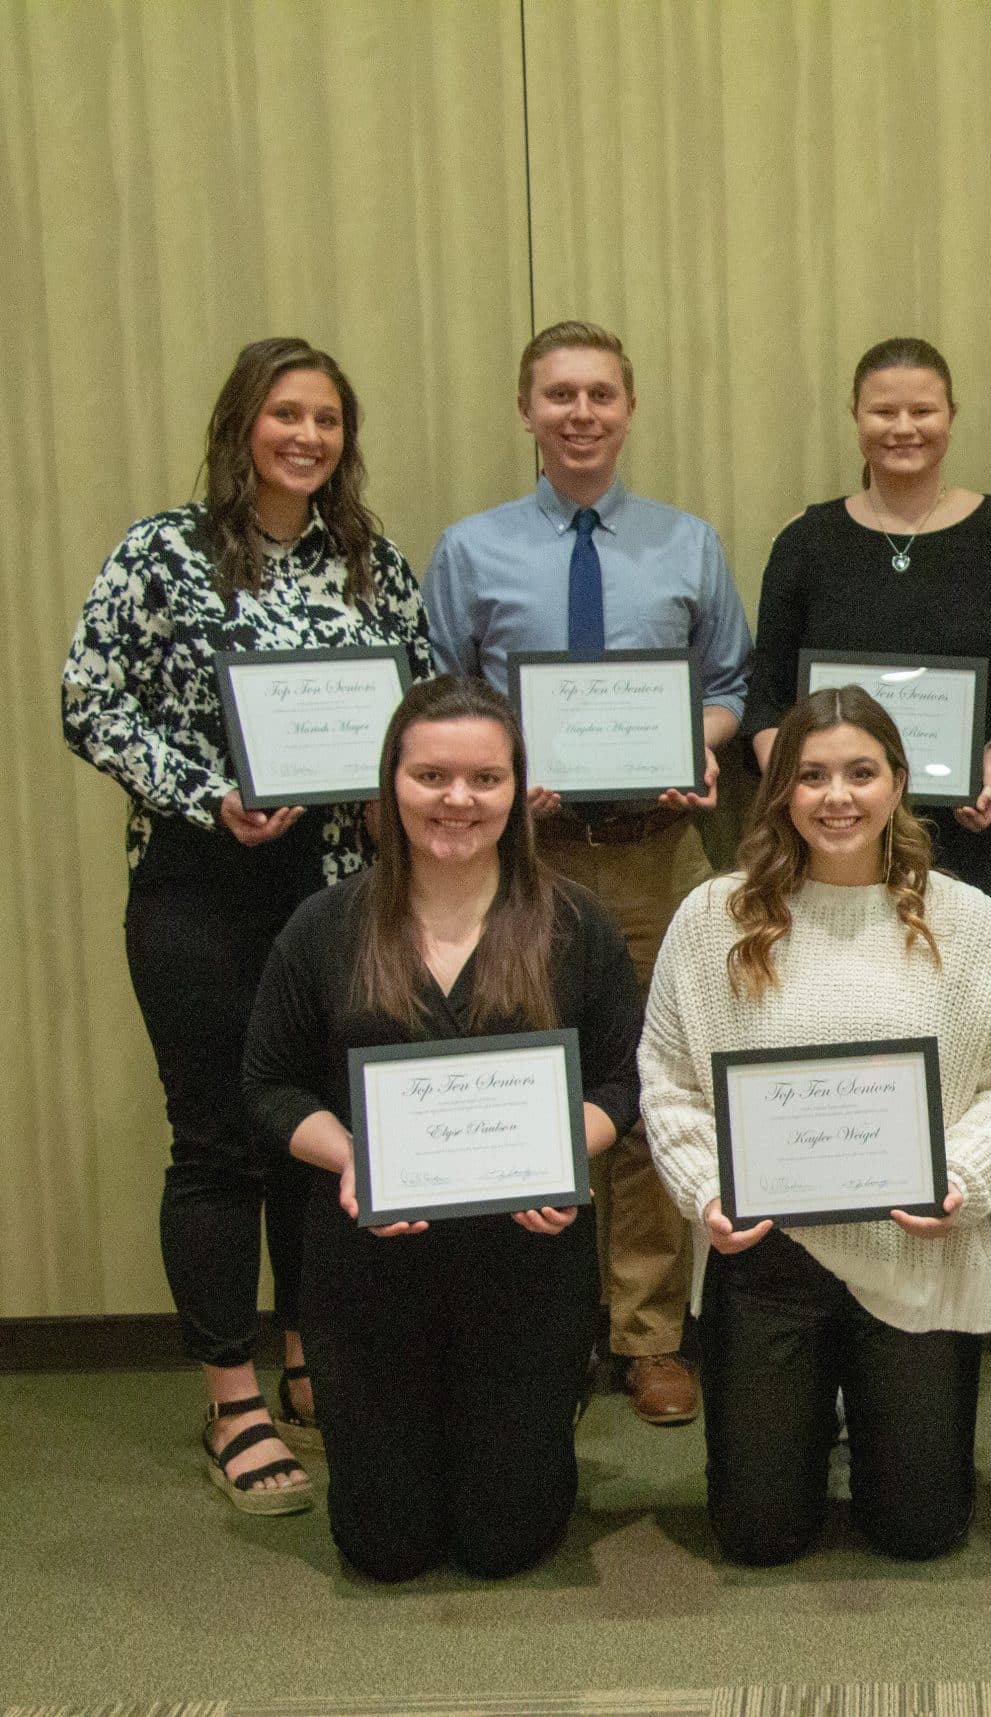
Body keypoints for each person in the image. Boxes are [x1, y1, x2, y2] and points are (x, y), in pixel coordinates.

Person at [60, 336, 430, 1515]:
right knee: (219, 1137)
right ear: (242, 427)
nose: (307, 438)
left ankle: (313, 1355)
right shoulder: (158, 555)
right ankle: (233, 1393)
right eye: (286, 416)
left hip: (338, 892)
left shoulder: (373, 561)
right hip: (198, 887)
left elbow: (422, 702)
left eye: (327, 419)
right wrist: (200, 787)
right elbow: (88, 698)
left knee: (318, 1136)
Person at [424, 319, 752, 1428]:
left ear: (627, 408)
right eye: (558, 394)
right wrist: (509, 775)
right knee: (524, 1089)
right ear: (525, 410)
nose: (579, 414)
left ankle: (651, 1335)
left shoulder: (687, 542)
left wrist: (695, 748)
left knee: (656, 1093)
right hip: (517, 865)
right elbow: (443, 705)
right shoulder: (471, 550)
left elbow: (730, 685)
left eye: (599, 395)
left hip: (661, 858)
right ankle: (543, 1330)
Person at [242, 676, 642, 1579]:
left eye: (484, 779)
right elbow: (268, 1086)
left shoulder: (574, 924)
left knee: (505, 1543)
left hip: (526, 1264)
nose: (457, 799)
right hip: (369, 1265)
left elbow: (622, 1079)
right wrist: (354, 1159)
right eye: (430, 775)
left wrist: (559, 1155)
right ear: (390, 785)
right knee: (384, 1547)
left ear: (517, 790)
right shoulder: (325, 924)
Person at [639, 687, 991, 1565]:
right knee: (758, 1534)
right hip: (765, 1253)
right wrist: (708, 1190)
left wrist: (960, 1181)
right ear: (781, 789)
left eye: (862, 772)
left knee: (921, 1530)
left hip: (917, 1246)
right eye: (813, 775)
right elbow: (668, 1083)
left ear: (899, 782)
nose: (838, 796)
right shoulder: (714, 919)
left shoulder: (968, 923)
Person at [741, 337, 991, 931]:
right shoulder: (805, 542)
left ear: (951, 416)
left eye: (922, 411)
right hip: (836, 834)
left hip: (978, 830)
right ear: (856, 419)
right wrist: (803, 785)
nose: (904, 428)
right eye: (883, 412)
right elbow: (768, 695)